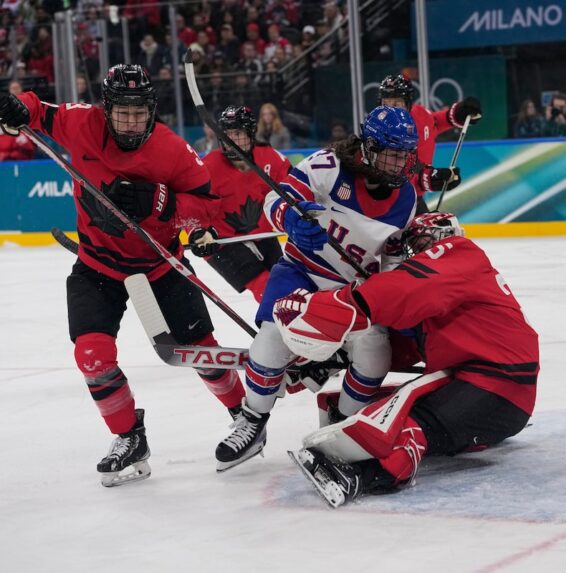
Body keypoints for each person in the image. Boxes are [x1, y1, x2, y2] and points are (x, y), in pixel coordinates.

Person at [0, 64, 245, 487]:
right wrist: (15, 108)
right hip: (98, 265)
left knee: (201, 348)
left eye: (140, 112)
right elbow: (37, 110)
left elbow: (208, 207)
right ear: (106, 107)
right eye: (123, 112)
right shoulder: (81, 122)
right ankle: (130, 437)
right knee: (91, 355)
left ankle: (244, 415)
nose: (132, 122)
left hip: (160, 263)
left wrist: (160, 202)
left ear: (152, 110)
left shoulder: (172, 150)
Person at [278, 212, 540, 508]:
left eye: (421, 241)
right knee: (391, 403)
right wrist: (332, 357)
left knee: (413, 424)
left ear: (446, 234)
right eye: (412, 245)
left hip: (495, 387)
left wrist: (324, 307)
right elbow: (405, 346)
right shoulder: (452, 282)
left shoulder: (458, 253)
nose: (416, 251)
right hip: (495, 393)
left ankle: (365, 476)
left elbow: (399, 290)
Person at [214, 105, 419, 472]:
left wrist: (392, 290)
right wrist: (291, 218)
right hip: (302, 273)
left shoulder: (406, 200)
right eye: (390, 154)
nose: (397, 164)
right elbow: (276, 198)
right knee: (270, 339)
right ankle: (253, 421)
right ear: (369, 147)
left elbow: (392, 257)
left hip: (353, 291)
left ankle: (345, 424)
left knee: (376, 354)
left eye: (404, 156)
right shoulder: (327, 166)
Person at [197, 105, 291, 302]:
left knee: (286, 284)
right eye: (227, 134)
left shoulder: (269, 158)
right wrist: (197, 230)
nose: (231, 140)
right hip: (222, 242)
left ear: (251, 133)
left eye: (238, 133)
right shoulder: (208, 168)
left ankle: (279, 329)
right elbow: (193, 205)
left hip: (263, 235)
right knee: (265, 287)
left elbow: (295, 189)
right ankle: (276, 327)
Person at [377, 74, 482, 213]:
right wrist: (425, 180)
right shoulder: (377, 132)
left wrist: (458, 114)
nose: (391, 110)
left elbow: (434, 123)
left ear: (408, 104)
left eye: (396, 104)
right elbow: (386, 178)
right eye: (386, 104)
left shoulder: (419, 113)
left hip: (415, 200)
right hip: (388, 206)